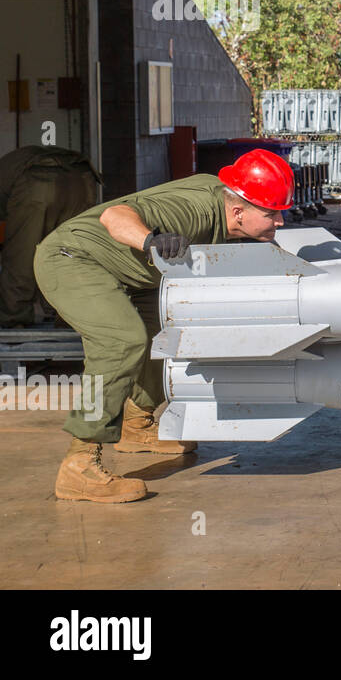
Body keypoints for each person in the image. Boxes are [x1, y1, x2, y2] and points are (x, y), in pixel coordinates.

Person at [33, 149, 293, 503]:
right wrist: (150, 240)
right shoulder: (195, 209)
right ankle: (79, 463)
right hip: (72, 259)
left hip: (133, 275)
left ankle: (136, 424)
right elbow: (115, 215)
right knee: (121, 342)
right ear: (238, 211)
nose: (279, 222)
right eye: (272, 214)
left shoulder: (227, 205)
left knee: (169, 332)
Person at [0, 145, 100, 328]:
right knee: (71, 255)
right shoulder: (14, 162)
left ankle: (14, 319)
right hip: (83, 178)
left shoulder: (10, 173)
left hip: (38, 182)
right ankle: (71, 318)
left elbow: (16, 249)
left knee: (21, 256)